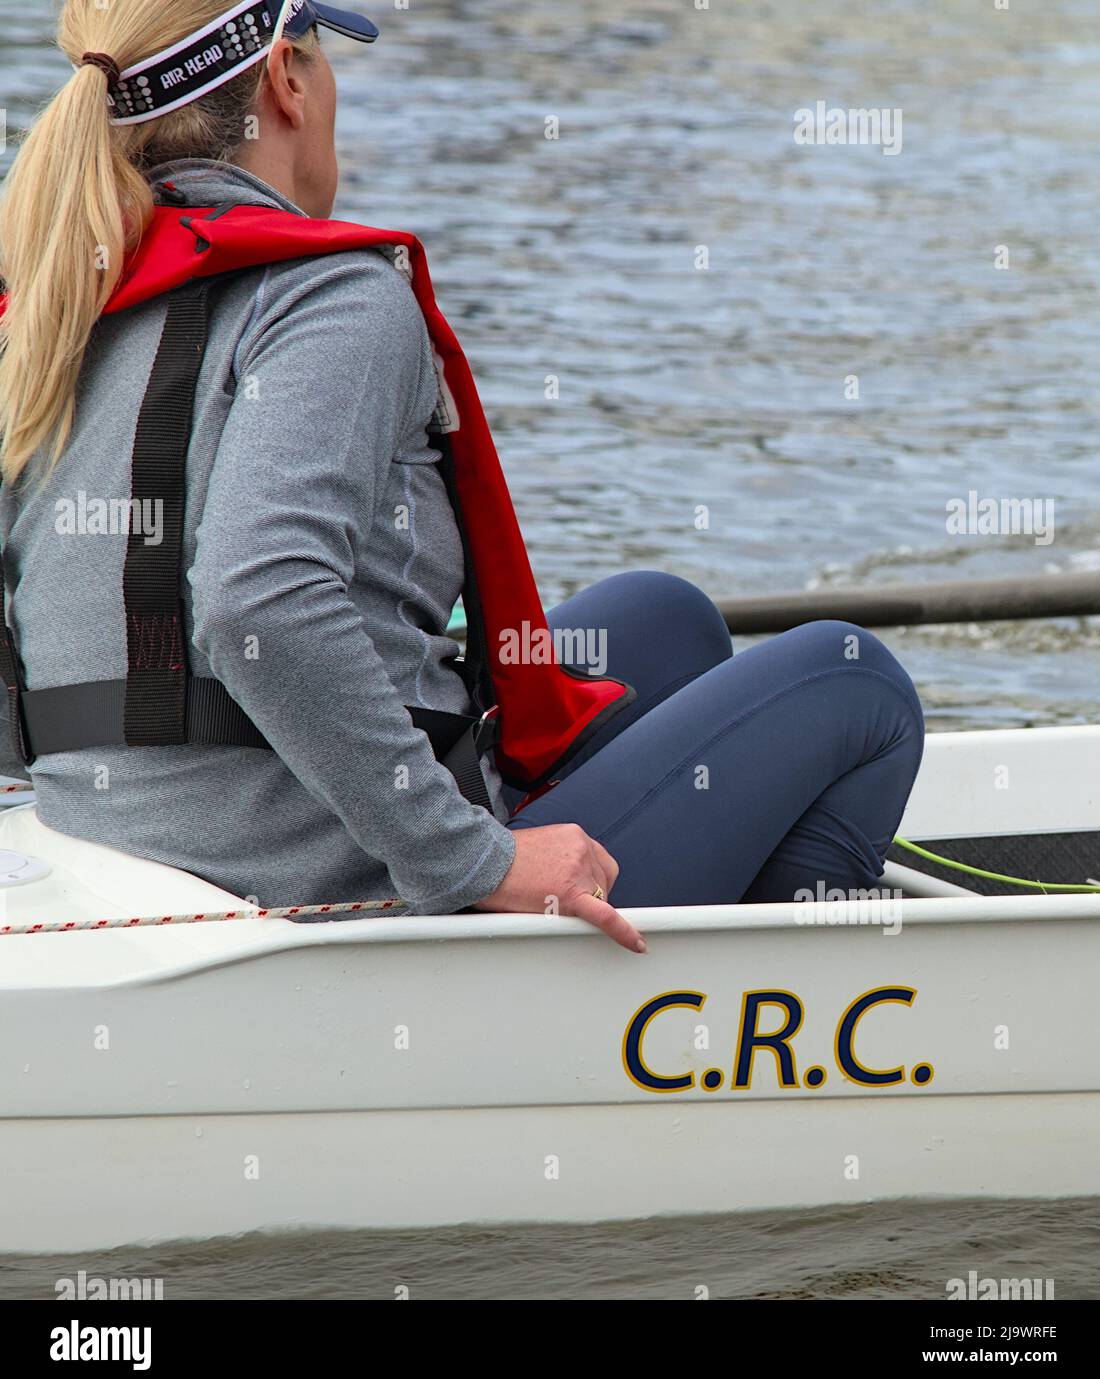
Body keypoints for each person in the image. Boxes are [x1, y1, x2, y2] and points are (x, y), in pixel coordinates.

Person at [0, 1, 925, 954]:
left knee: (662, 617)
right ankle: (718, 1044)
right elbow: (256, 605)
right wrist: (471, 861)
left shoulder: (55, 298)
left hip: (105, 842)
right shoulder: (330, 299)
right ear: (285, 79)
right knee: (856, 682)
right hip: (328, 886)